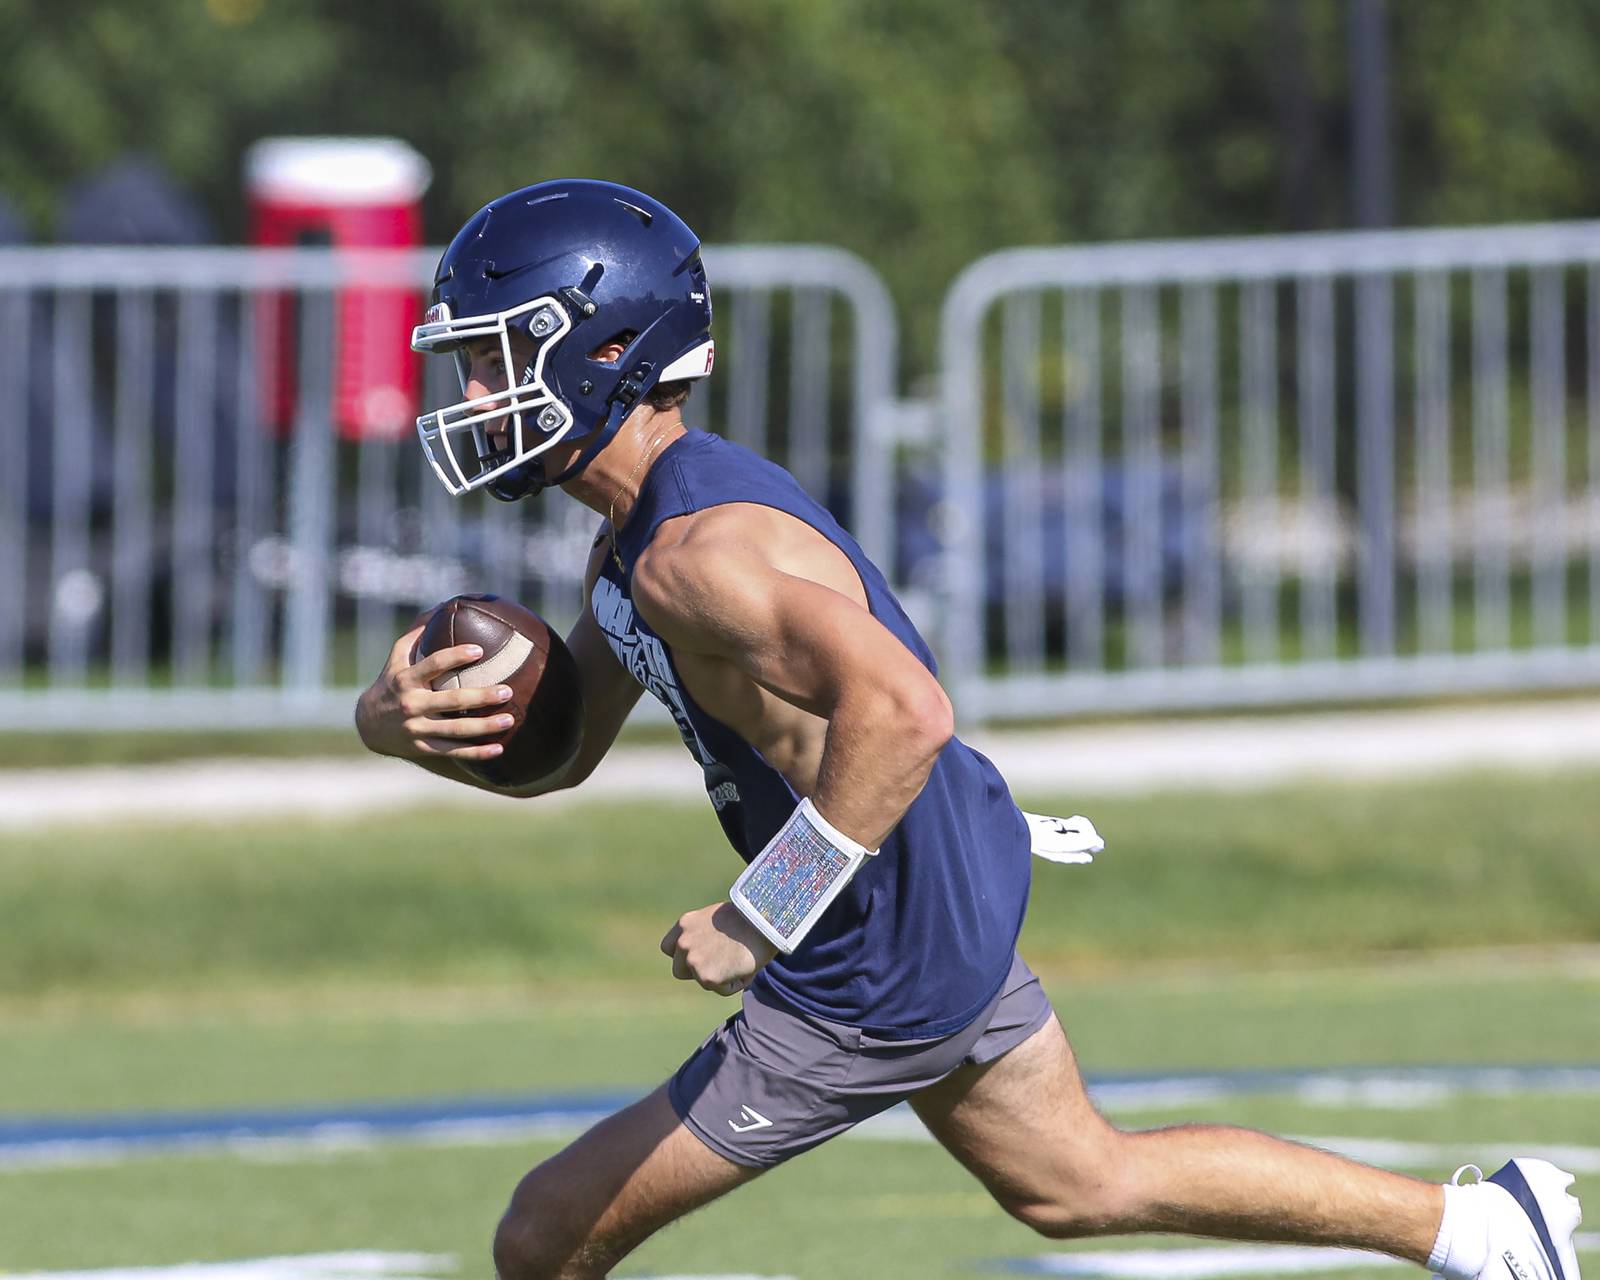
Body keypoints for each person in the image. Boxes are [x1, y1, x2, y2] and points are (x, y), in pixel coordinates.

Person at [355, 179, 1583, 1280]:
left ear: (610, 350)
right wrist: (390, 717)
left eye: (500, 355)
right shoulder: (633, 541)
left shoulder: (696, 553)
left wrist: (760, 911)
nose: (473, 394)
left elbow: (904, 709)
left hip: (872, 941)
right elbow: (562, 749)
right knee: (1079, 1180)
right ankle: (1483, 1231)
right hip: (920, 870)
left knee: (543, 1234)